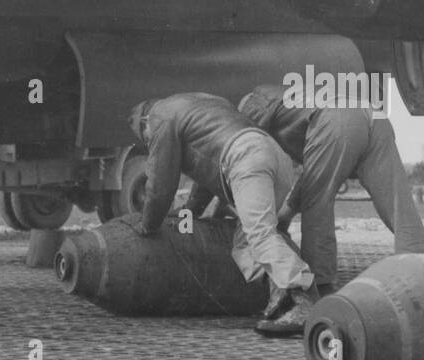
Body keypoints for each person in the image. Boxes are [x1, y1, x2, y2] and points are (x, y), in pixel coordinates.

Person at [128, 93, 317, 335]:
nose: (148, 142)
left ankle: (303, 301)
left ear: (144, 121)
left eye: (144, 138)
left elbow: (161, 183)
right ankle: (284, 299)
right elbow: (207, 171)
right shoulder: (197, 104)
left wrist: (148, 225)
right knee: (244, 242)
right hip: (274, 158)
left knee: (260, 235)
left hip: (245, 158)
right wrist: (190, 213)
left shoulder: (158, 118)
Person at [237, 85, 424, 299]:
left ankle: (320, 286)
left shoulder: (252, 104)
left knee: (316, 205)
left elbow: (237, 156)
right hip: (372, 114)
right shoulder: (289, 99)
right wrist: (287, 213)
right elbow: (311, 175)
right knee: (397, 202)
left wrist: (216, 202)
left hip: (337, 117)